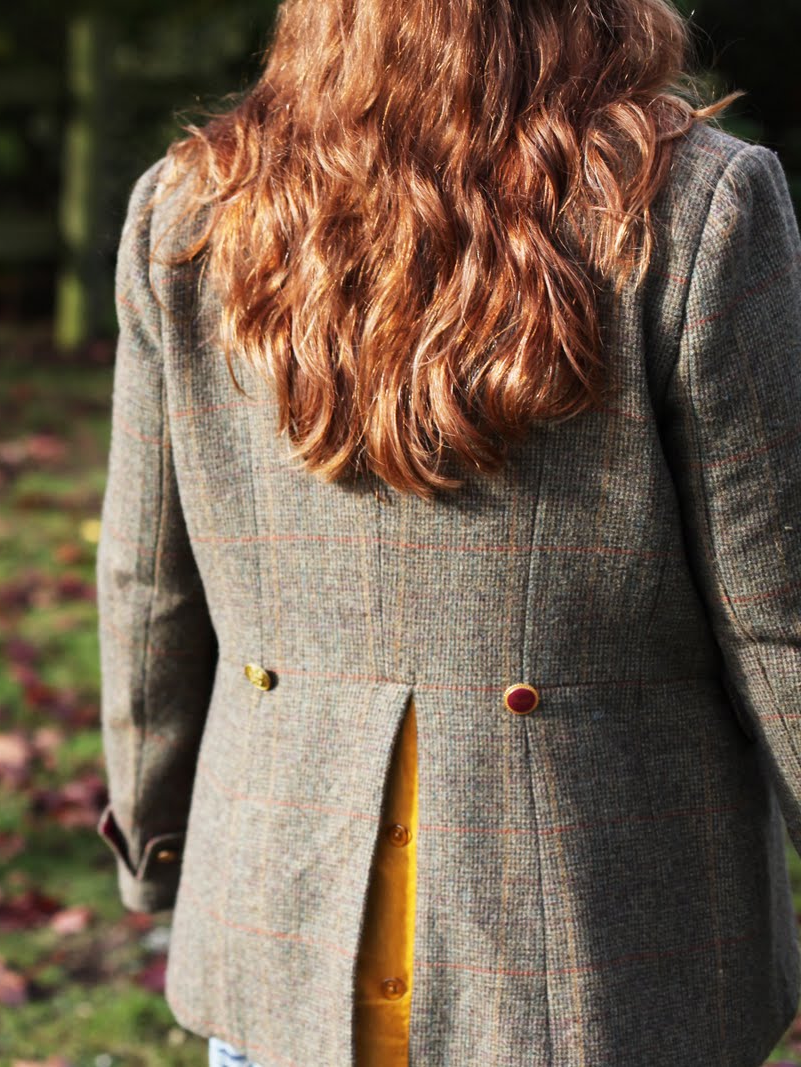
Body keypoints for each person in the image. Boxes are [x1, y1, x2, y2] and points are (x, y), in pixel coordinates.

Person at [91, 0, 801, 1064]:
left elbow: (147, 587)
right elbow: (778, 616)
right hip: (609, 956)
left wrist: (154, 840)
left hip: (278, 931)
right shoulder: (692, 203)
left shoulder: (193, 205)